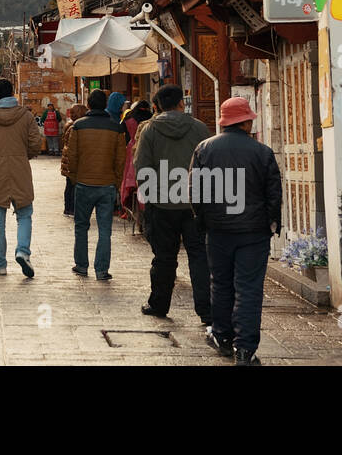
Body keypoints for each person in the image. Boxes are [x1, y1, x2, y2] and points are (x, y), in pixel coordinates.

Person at [191, 96, 282, 366]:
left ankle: (221, 336)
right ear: (245, 122)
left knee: (220, 284)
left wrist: (203, 220)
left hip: (218, 230)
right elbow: (273, 194)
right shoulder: (262, 152)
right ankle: (244, 350)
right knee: (249, 288)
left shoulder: (204, 149)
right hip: (254, 232)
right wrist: (272, 223)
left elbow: (197, 191)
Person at [133, 84, 212, 325]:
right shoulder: (199, 128)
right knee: (199, 257)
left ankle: (158, 304)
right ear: (181, 103)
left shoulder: (149, 130)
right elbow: (208, 165)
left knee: (164, 257)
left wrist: (149, 200)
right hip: (194, 205)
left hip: (162, 204)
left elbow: (142, 167)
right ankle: (206, 311)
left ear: (156, 106)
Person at [0, 78, 45, 276]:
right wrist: (23, 155)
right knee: (24, 214)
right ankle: (23, 251)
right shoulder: (26, 116)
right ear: (13, 92)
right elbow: (36, 143)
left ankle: (0, 263)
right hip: (20, 168)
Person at [61, 90, 126, 281]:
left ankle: (81, 265)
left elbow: (71, 156)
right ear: (104, 104)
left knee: (81, 226)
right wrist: (116, 181)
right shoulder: (116, 128)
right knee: (105, 229)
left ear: (88, 105)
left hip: (83, 183)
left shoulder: (78, 126)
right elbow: (120, 159)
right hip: (107, 185)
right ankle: (101, 270)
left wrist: (74, 178)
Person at [120, 99, 155, 216]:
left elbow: (123, 135)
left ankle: (132, 210)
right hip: (149, 149)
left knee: (132, 180)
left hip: (132, 149)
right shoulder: (152, 118)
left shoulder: (128, 118)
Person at [60, 102, 90, 217]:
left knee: (69, 185)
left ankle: (68, 208)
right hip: (70, 160)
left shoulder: (70, 124)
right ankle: (70, 208)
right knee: (72, 185)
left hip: (67, 159)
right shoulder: (75, 127)